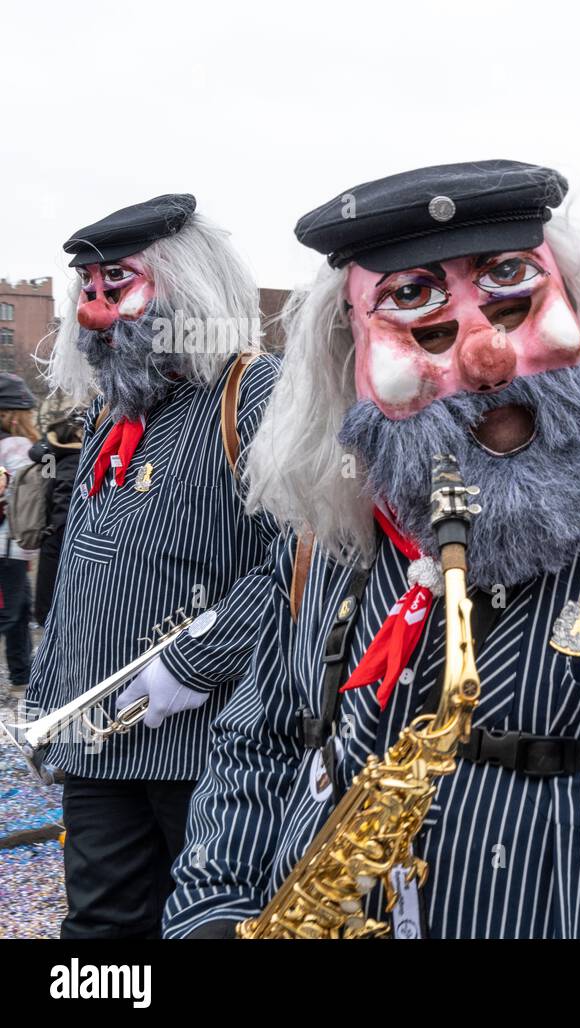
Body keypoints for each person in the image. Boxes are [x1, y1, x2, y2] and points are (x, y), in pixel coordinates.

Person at [164, 160, 580, 939]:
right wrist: (212, 911)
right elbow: (256, 749)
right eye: (417, 314)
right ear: (348, 362)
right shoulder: (336, 542)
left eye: (513, 294)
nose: (485, 359)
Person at [28, 193, 282, 938]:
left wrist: (197, 663)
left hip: (210, 749)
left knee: (204, 924)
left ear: (188, 287)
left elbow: (303, 559)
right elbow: (80, 569)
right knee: (99, 931)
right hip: (98, 748)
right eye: (91, 291)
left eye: (122, 287)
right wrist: (49, 695)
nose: (99, 312)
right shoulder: (113, 414)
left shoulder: (254, 394)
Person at [27, 391, 85, 625]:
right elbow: (64, 501)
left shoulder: (54, 454)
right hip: (59, 539)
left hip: (50, 534)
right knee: (54, 607)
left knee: (46, 602)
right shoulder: (73, 458)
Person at [0, 374, 39, 697]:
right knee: (13, 613)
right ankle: (20, 678)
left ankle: (21, 677)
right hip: (8, 546)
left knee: (18, 610)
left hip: (12, 547)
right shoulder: (17, 445)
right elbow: (22, 496)